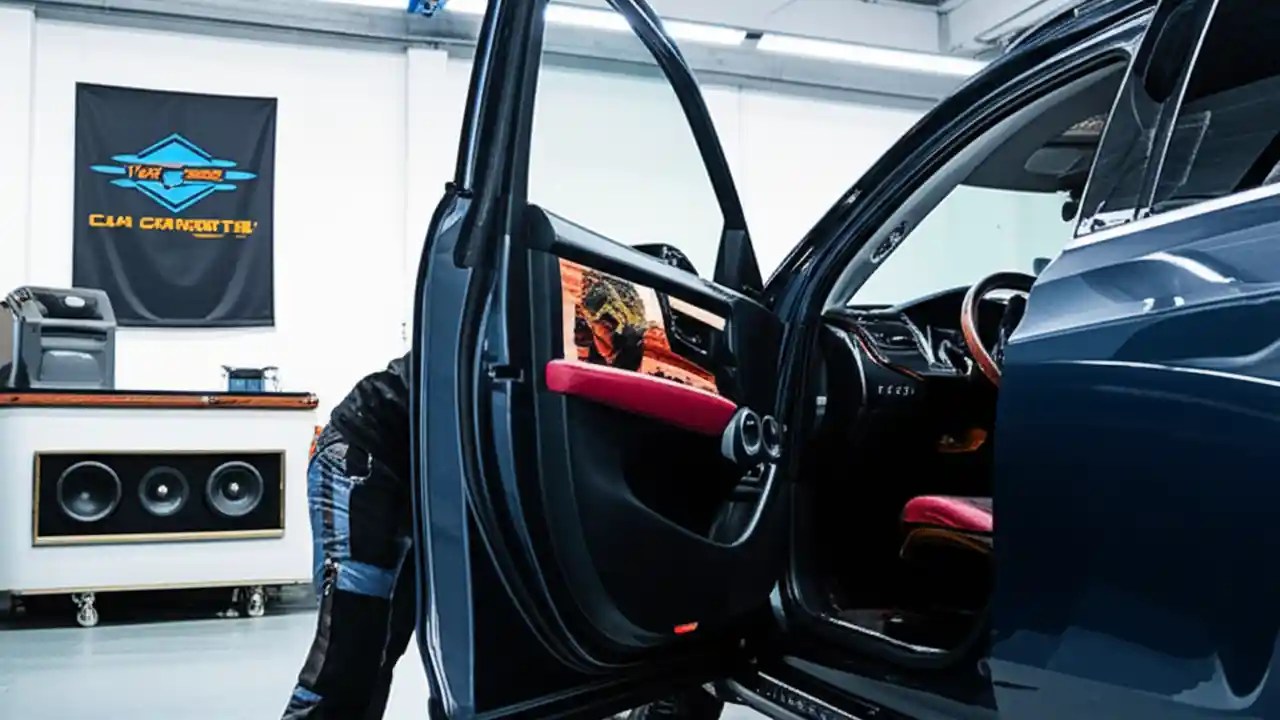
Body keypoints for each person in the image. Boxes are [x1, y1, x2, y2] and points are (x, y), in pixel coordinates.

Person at [282, 352, 725, 719]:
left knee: (380, 649)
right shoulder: (555, 339)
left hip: (433, 477)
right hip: (368, 453)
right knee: (353, 651)